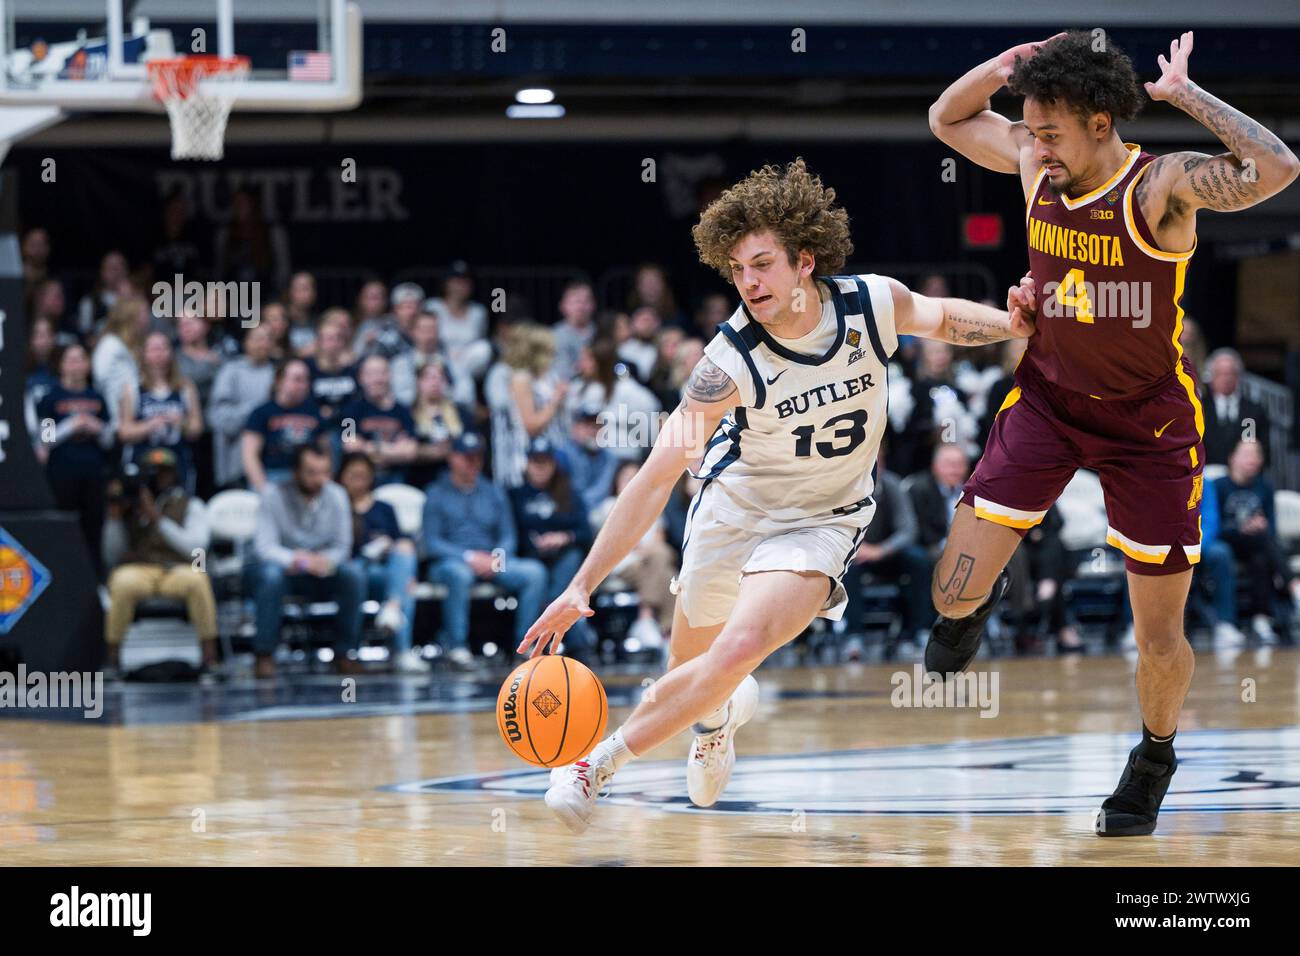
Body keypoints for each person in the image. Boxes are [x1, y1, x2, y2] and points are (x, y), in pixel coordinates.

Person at [520, 158, 1033, 833]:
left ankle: (593, 766)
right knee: (696, 671)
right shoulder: (728, 361)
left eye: (763, 264)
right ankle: (717, 723)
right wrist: (581, 585)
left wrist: (1013, 323)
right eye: (738, 269)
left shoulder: (870, 304)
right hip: (734, 510)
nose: (750, 282)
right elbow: (653, 476)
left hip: (824, 519)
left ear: (805, 261)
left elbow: (943, 317)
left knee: (738, 649)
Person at [927, 29, 1299, 835]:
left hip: (1150, 426)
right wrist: (1000, 67)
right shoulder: (1036, 164)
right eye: (1030, 128)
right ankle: (971, 613)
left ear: (1102, 122)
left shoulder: (1159, 187)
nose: (1036, 145)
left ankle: (1155, 757)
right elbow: (948, 121)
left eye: (1051, 131)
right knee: (948, 590)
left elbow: (1276, 170)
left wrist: (1187, 96)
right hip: (1050, 404)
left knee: (1158, 633)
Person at [421, 432, 548, 671]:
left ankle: (525, 645)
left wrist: (496, 558)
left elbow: (508, 536)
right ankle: (456, 646)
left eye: (477, 457)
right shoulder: (435, 493)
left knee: (535, 572)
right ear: (452, 458)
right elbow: (432, 542)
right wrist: (469, 558)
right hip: (450, 562)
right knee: (459, 575)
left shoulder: (494, 492)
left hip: (493, 559)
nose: (472, 462)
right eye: (466, 457)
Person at [245, 444, 363, 679]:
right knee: (270, 576)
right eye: (311, 472)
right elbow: (264, 548)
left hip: (320, 570)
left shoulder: (337, 495)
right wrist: (298, 560)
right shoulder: (272, 495)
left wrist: (322, 561)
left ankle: (345, 652)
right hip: (282, 570)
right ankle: (265, 654)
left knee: (353, 574)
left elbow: (342, 547)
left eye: (324, 472)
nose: (320, 479)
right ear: (295, 472)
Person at [102, 448, 218, 679]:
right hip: (141, 569)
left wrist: (157, 519)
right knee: (121, 582)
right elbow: (111, 555)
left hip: (177, 568)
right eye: (152, 472)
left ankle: (210, 658)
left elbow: (197, 550)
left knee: (199, 579)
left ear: (174, 474)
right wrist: (115, 519)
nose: (158, 477)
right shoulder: (128, 504)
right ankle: (112, 659)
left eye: (163, 472)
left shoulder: (190, 504)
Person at [337, 452, 427, 674]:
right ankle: (398, 645)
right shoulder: (337, 506)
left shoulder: (384, 508)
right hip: (350, 568)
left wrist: (387, 545)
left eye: (363, 475)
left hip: (382, 569)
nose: (359, 480)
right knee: (400, 582)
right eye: (353, 475)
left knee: (405, 554)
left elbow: (400, 542)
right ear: (342, 476)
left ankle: (393, 609)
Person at [509, 438, 597, 661]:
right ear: (527, 464)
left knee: (569, 563)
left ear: (553, 465)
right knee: (535, 573)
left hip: (564, 556)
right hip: (529, 555)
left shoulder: (568, 493)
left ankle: (567, 635)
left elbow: (586, 532)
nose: (540, 467)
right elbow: (510, 534)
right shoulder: (515, 495)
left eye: (545, 462)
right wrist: (534, 543)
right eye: (535, 462)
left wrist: (564, 537)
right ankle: (528, 642)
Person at [34, 343, 113, 578]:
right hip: (62, 474)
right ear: (61, 366)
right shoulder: (50, 398)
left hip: (94, 473)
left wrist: (95, 426)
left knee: (93, 530)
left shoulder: (97, 398)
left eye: (81, 359)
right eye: (71, 360)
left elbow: (110, 438)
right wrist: (71, 425)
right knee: (64, 529)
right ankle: (61, 577)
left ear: (88, 365)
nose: (76, 365)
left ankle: (94, 580)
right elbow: (45, 439)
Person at [591, 459, 679, 651]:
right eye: (626, 478)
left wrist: (644, 549)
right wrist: (644, 549)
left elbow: (659, 539)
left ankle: (650, 624)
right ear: (617, 481)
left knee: (662, 562)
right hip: (623, 564)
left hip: (651, 562)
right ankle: (662, 628)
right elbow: (619, 545)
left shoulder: (654, 505)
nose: (631, 482)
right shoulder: (609, 506)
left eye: (636, 478)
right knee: (667, 572)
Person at [1213, 440, 1293, 644]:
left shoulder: (1265, 485)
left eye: (1257, 454)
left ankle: (1260, 619)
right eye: (1247, 454)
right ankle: (1293, 584)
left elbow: (1271, 526)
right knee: (1262, 542)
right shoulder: (1219, 485)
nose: (1253, 459)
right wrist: (1241, 528)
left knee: (1261, 556)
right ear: (1232, 458)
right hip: (1227, 542)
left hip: (1257, 544)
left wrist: (1259, 525)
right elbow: (1215, 524)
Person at [117, 331, 204, 492]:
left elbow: (197, 428)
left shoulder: (185, 387)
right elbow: (124, 431)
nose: (159, 353)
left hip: (178, 463)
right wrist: (150, 425)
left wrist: (181, 423)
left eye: (163, 348)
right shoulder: (132, 388)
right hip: (141, 461)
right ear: (144, 354)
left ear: (171, 353)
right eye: (154, 349)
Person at [485, 324, 569, 488]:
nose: (553, 357)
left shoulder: (544, 378)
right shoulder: (521, 379)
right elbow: (530, 425)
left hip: (548, 455)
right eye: (549, 351)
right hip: (521, 461)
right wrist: (556, 400)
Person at [207, 323, 275, 489]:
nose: (263, 343)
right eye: (258, 338)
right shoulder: (230, 371)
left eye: (268, 339)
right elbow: (218, 418)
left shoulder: (279, 373)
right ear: (246, 342)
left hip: (273, 461)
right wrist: (259, 412)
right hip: (235, 461)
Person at [241, 358, 326, 491]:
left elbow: (325, 451)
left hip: (307, 477)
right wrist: (263, 489)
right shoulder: (261, 412)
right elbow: (249, 455)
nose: (303, 385)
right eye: (297, 379)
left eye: (306, 379)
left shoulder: (315, 412)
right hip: (273, 475)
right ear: (279, 381)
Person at [338, 354, 419, 486]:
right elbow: (350, 446)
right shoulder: (350, 411)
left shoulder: (404, 412)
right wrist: (393, 450)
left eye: (381, 373)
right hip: (361, 477)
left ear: (389, 375)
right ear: (361, 378)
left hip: (395, 477)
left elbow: (410, 452)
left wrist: (366, 446)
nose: (377, 379)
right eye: (370, 374)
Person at [426, 260, 492, 384]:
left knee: (485, 349)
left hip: (469, 362)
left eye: (466, 281)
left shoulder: (479, 312)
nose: (461, 285)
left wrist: (461, 356)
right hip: (439, 359)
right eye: (457, 281)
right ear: (446, 283)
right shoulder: (433, 307)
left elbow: (480, 342)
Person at [1202, 348, 1269, 466]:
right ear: (1211, 377)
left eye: (1230, 373)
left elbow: (1259, 447)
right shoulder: (1198, 408)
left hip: (1244, 478)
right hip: (1207, 475)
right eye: (1220, 373)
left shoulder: (1253, 411)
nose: (1226, 378)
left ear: (1238, 376)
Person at [407, 361, 467, 488]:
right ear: (418, 382)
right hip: (421, 478)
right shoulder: (408, 413)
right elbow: (406, 448)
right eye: (429, 377)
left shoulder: (460, 412)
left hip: (456, 478)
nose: (435, 382)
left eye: (440, 377)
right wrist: (434, 452)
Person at [305, 310, 359, 423]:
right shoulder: (308, 368)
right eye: (329, 339)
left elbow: (359, 402)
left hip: (349, 424)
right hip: (317, 425)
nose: (334, 343)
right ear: (319, 342)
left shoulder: (353, 369)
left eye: (338, 338)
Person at [551, 279, 598, 383]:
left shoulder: (602, 332)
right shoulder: (554, 336)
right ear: (563, 306)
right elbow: (559, 373)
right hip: (567, 390)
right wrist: (580, 368)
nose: (581, 306)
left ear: (593, 305)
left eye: (586, 301)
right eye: (576, 301)